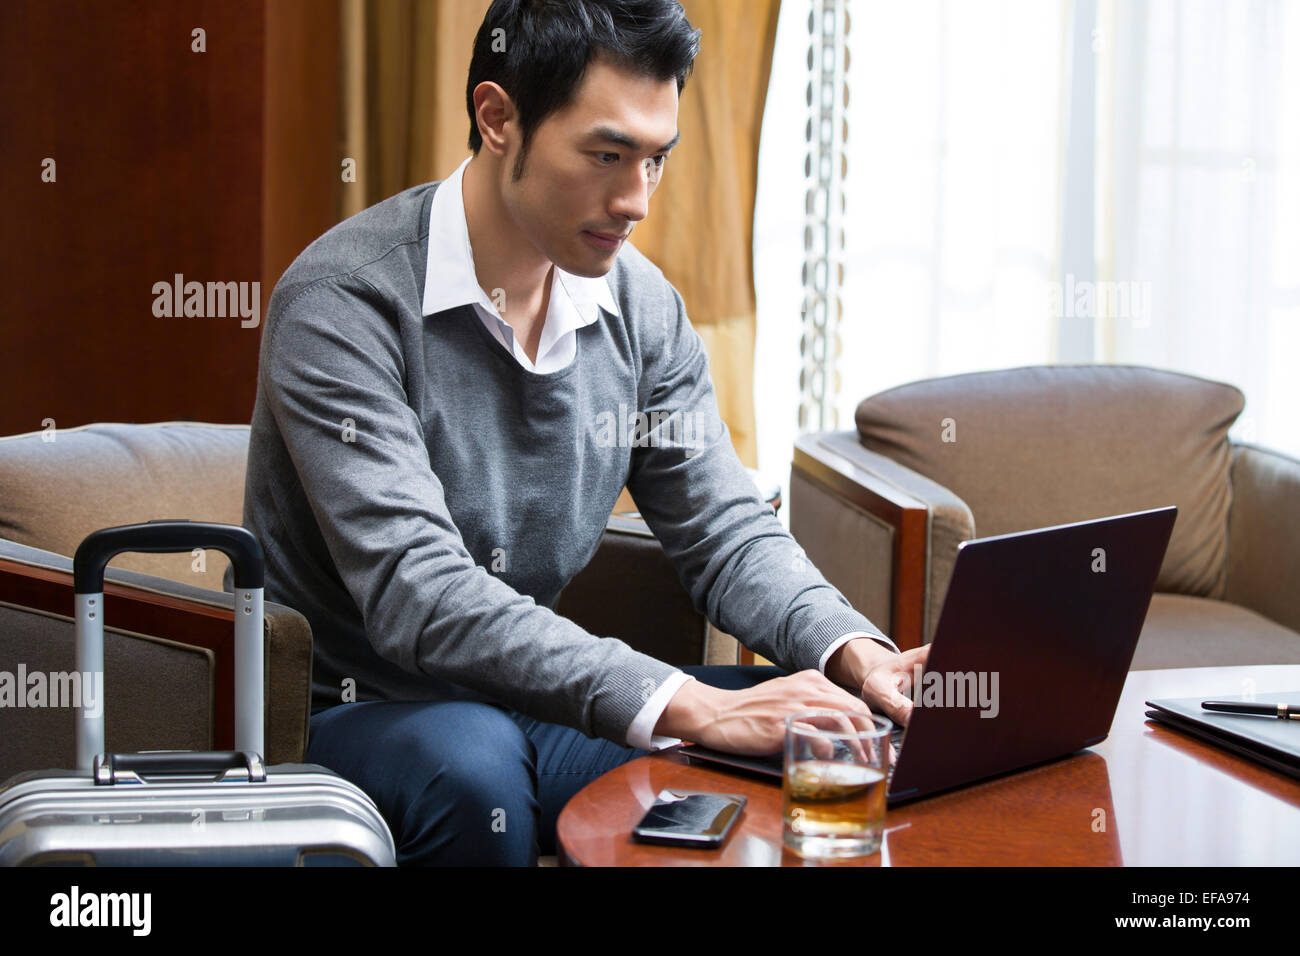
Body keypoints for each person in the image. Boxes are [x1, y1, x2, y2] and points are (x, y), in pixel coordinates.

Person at [230, 0, 929, 865]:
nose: (635, 199)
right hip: (355, 712)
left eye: (655, 160)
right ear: (498, 118)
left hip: (534, 701)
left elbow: (724, 528)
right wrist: (690, 705)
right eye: (606, 155)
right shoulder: (343, 304)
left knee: (837, 733)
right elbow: (422, 593)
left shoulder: (640, 308)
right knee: (473, 770)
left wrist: (854, 653)